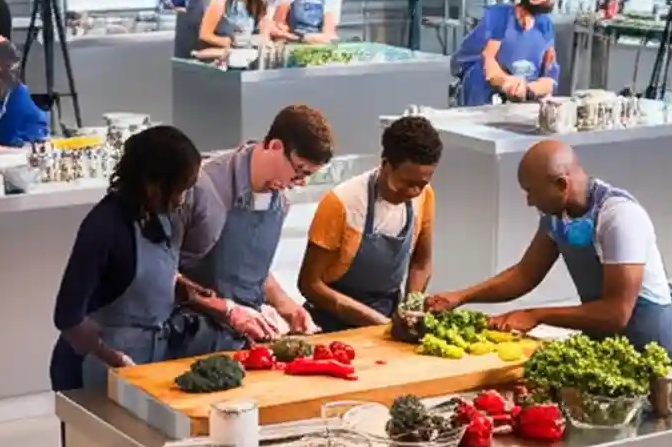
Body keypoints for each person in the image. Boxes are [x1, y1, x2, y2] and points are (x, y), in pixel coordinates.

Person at [427, 139, 672, 367]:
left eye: (531, 192)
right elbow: (525, 274)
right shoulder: (556, 217)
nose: (529, 201)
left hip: (650, 344)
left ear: (562, 184)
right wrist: (461, 297)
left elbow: (615, 313)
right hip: (606, 343)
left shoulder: (620, 217)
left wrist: (536, 315)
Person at [49, 125, 227, 391]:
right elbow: (67, 316)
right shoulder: (103, 227)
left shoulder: (157, 217)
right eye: (179, 189)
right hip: (95, 368)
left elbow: (151, 277)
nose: (182, 200)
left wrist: (191, 292)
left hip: (146, 362)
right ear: (152, 183)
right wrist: (114, 359)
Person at [174, 104, 336, 354]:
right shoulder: (203, 187)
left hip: (246, 332)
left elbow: (249, 269)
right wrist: (227, 310)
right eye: (299, 171)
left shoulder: (280, 200)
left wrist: (287, 306)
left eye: (308, 176)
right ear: (276, 146)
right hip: (192, 331)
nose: (299, 183)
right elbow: (163, 271)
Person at [299, 116, 441, 331]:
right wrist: (379, 323)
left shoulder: (424, 196)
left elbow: (421, 264)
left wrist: (411, 310)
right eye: (405, 183)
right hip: (332, 321)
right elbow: (310, 284)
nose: (413, 191)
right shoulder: (342, 203)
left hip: (387, 314)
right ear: (385, 164)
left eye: (422, 184)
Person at [451, 0, 558, 107]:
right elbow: (488, 61)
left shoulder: (545, 25)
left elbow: (550, 70)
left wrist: (532, 88)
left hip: (522, 92)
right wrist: (506, 82)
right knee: (478, 73)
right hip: (484, 87)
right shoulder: (500, 17)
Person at [194, 0, 272, 62]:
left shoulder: (254, 3)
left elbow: (264, 36)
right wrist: (225, 41)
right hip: (220, 55)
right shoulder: (220, 2)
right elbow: (204, 34)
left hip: (245, 53)